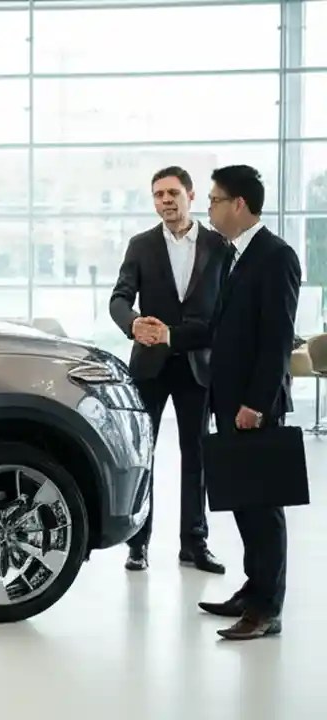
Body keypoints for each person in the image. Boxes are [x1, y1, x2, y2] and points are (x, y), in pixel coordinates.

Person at [188, 164, 299, 640]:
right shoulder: (232, 256)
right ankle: (253, 590)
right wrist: (169, 335)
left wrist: (256, 403)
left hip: (254, 407)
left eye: (213, 199)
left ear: (238, 204)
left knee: (262, 506)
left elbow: (277, 340)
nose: (207, 208)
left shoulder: (276, 257)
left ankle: (266, 610)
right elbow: (220, 330)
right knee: (243, 502)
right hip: (228, 401)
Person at [109, 166, 226, 574]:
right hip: (149, 367)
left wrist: (175, 334)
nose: (165, 201)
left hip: (198, 364)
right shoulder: (140, 245)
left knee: (197, 454)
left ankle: (194, 543)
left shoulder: (218, 244)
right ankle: (138, 544)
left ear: (190, 196)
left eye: (173, 193)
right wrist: (132, 323)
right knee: (144, 454)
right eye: (158, 195)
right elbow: (119, 298)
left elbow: (224, 309)